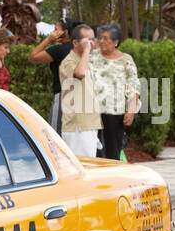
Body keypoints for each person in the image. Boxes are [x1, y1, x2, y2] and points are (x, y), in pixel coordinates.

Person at [90, 22, 140, 160]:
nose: (101, 41)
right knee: (92, 151)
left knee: (113, 152)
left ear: (116, 42)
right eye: (100, 38)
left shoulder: (126, 59)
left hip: (115, 113)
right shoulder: (91, 57)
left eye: (106, 38)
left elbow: (134, 86)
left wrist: (131, 111)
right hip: (91, 112)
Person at [28, 17, 81, 132]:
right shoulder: (81, 48)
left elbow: (33, 57)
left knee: (55, 135)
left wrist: (48, 39)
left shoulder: (58, 50)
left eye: (56, 30)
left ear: (65, 32)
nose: (53, 32)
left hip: (63, 97)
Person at [58, 24, 102, 158]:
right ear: (75, 43)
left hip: (89, 124)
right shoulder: (69, 62)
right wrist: (86, 51)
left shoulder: (87, 61)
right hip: (78, 126)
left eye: (93, 40)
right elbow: (80, 73)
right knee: (81, 166)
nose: (91, 44)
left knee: (90, 166)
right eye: (87, 41)